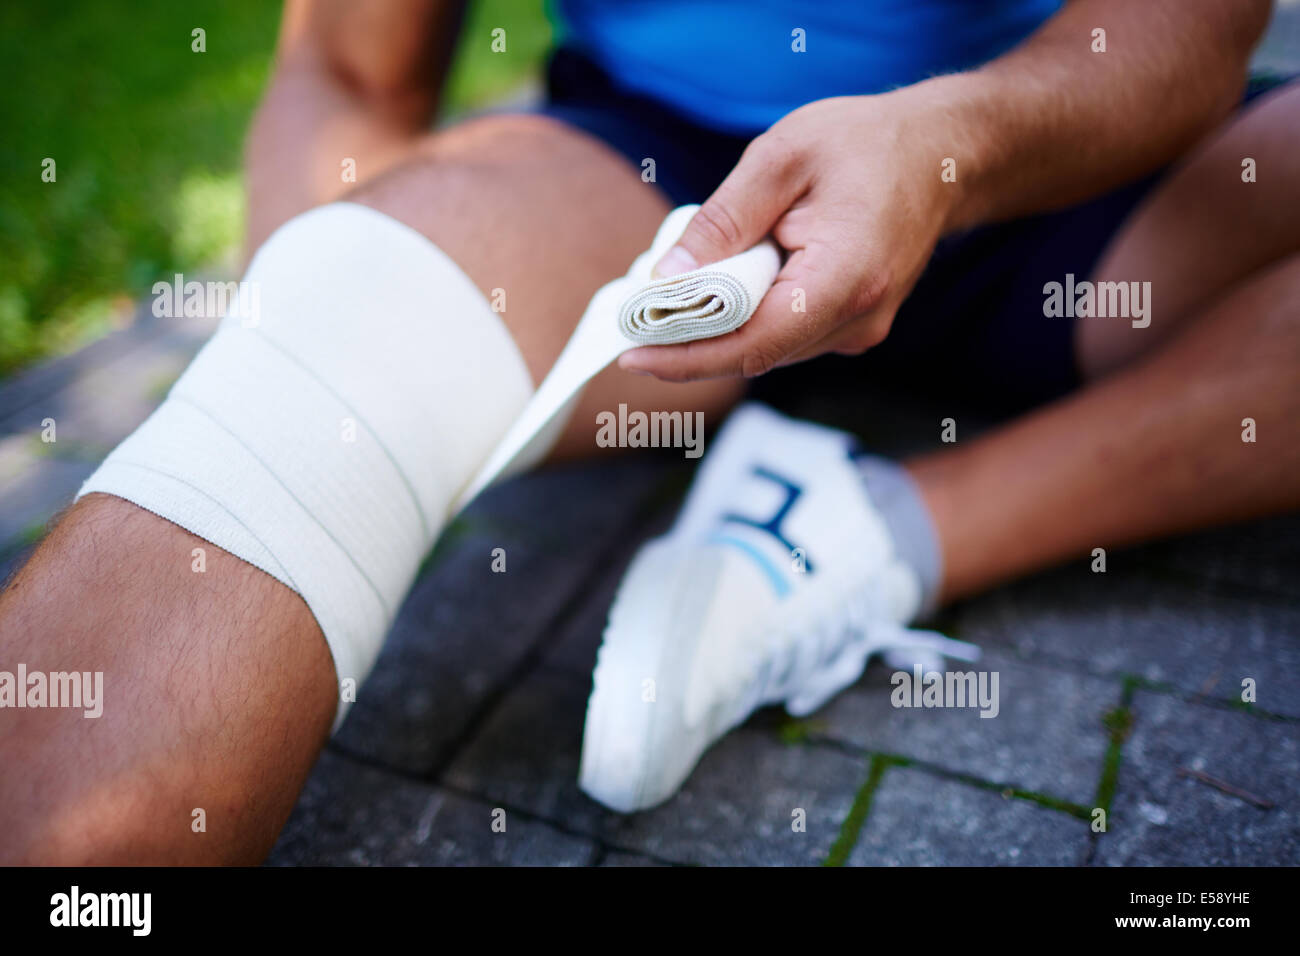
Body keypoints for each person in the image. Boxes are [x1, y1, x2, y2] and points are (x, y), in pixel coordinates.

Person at [1, 0, 1296, 861]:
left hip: (1064, 163)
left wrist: (948, 149)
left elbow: (1185, 36)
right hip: (660, 189)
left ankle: (879, 533)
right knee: (356, 325)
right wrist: (310, 376)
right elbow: (345, 65)